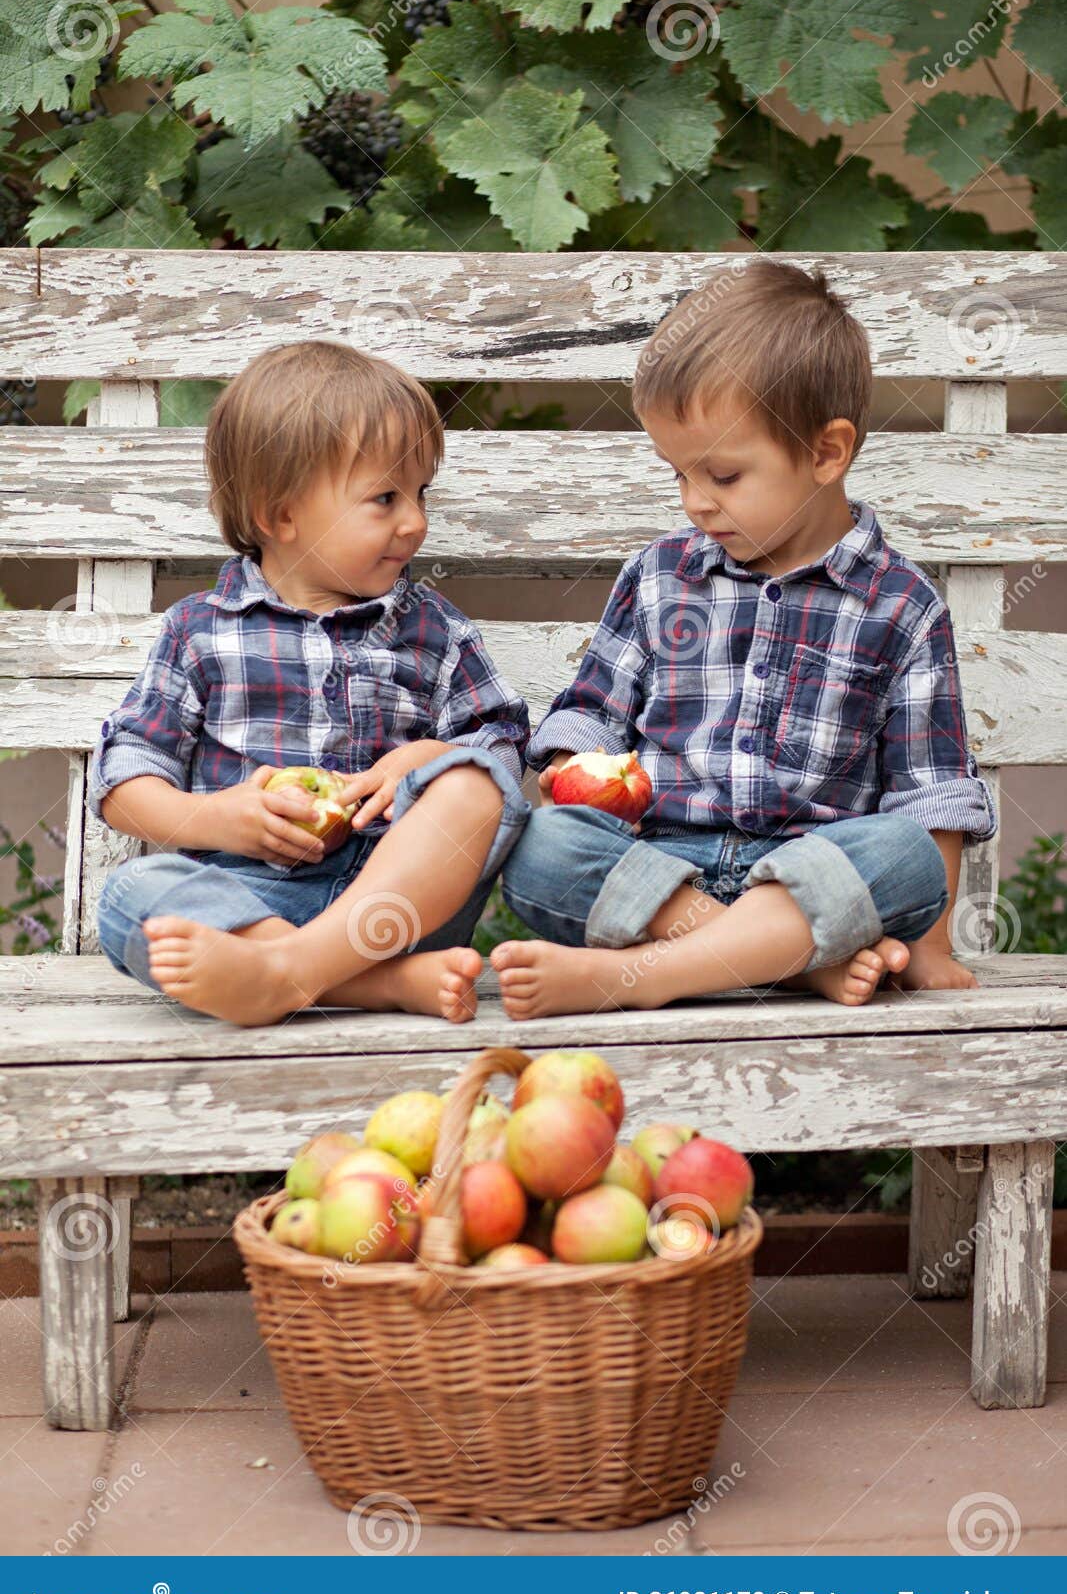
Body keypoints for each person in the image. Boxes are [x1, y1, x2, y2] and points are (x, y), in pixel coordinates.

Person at [491, 259, 995, 1019]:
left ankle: (653, 975)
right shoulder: (660, 576)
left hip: (808, 875)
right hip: (662, 874)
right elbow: (592, 712)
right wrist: (575, 772)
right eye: (678, 476)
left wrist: (929, 949)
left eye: (722, 476)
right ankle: (781, 967)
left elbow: (930, 792)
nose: (695, 503)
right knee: (539, 847)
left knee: (904, 858)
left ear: (826, 453)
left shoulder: (899, 605)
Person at [91, 341, 529, 1027]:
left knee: (475, 783)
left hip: (399, 904)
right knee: (130, 895)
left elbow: (500, 749)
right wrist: (217, 819)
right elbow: (124, 783)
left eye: (419, 494)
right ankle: (373, 985)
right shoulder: (199, 632)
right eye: (384, 498)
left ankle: (296, 972)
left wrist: (429, 759)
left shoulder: (434, 629)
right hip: (248, 901)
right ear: (279, 514)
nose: (414, 521)